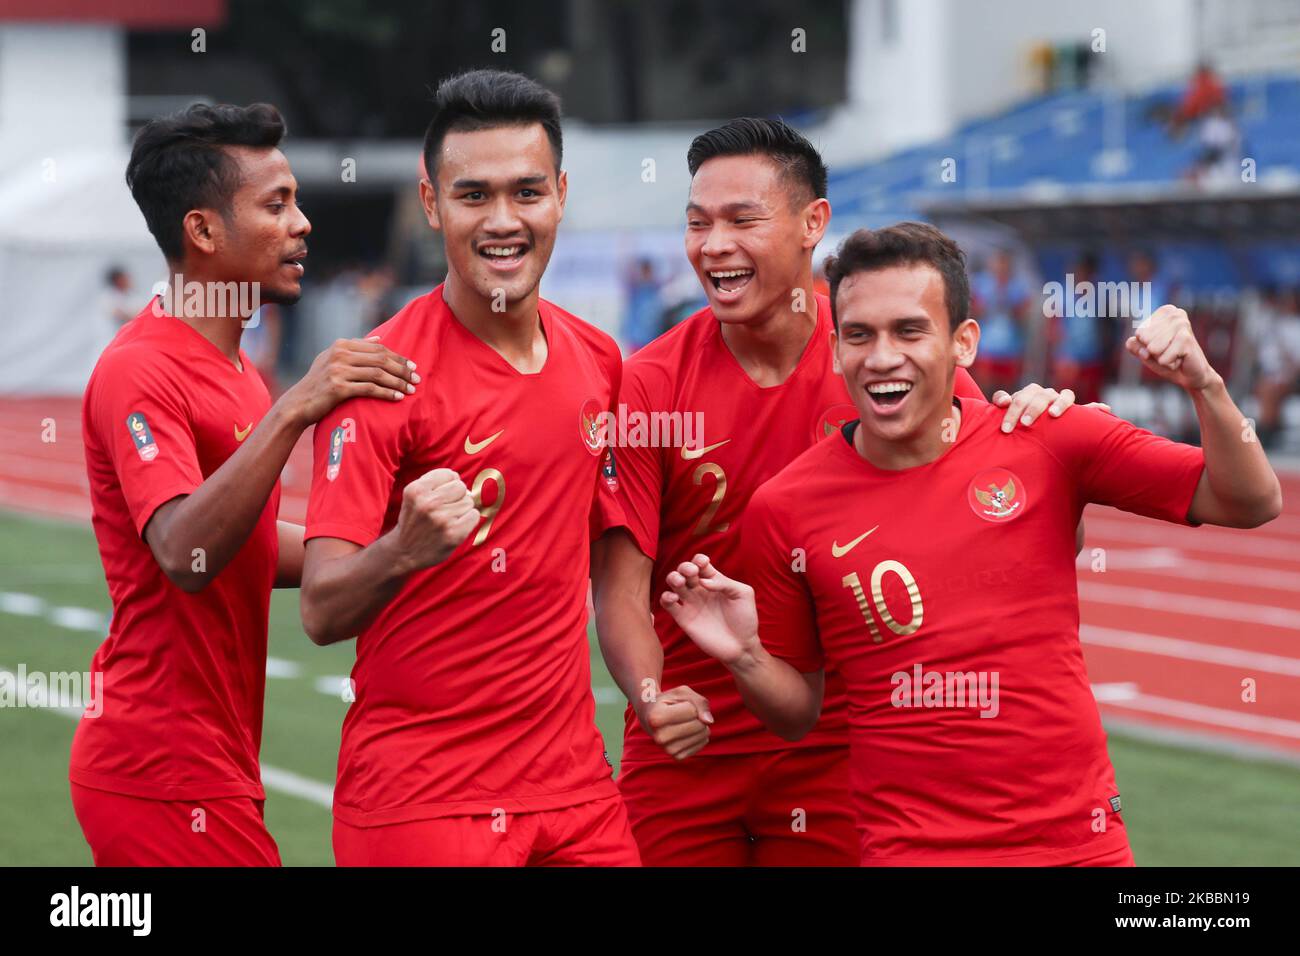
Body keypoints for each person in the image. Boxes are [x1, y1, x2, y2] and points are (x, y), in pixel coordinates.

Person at [659, 222, 1282, 866]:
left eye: (909, 331)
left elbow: (1251, 500)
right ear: (836, 348)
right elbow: (796, 715)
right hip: (912, 853)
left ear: (964, 342)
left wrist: (1205, 383)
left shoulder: (1047, 437)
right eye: (858, 335)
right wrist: (746, 655)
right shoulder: (785, 509)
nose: (881, 357)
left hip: (1077, 846)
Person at [592, 120, 1077, 867]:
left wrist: (1053, 451)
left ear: (813, 222)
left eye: (742, 219)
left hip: (846, 753)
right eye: (697, 223)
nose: (713, 244)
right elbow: (622, 593)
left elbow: (1011, 518)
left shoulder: (890, 364)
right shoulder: (651, 384)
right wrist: (654, 699)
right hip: (688, 747)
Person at [298, 70, 640, 867]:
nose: (502, 221)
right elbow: (320, 607)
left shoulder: (599, 360)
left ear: (560, 194)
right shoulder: (379, 374)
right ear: (430, 204)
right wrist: (401, 549)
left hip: (575, 791)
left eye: (526, 192)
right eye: (473, 195)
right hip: (424, 799)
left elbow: (612, 558)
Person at [72, 103, 418, 866]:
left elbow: (248, 547)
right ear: (201, 232)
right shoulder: (141, 369)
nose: (302, 224)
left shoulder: (239, 371)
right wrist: (298, 408)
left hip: (211, 763)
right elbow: (180, 549)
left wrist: (399, 543)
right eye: (276, 204)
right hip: (159, 768)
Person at [970, 248, 1032, 396]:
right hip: (986, 345)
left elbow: (1024, 316)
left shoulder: (1018, 286)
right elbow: (974, 311)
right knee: (984, 387)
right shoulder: (981, 283)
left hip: (1011, 348)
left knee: (1008, 390)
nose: (1000, 266)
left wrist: (1011, 305)